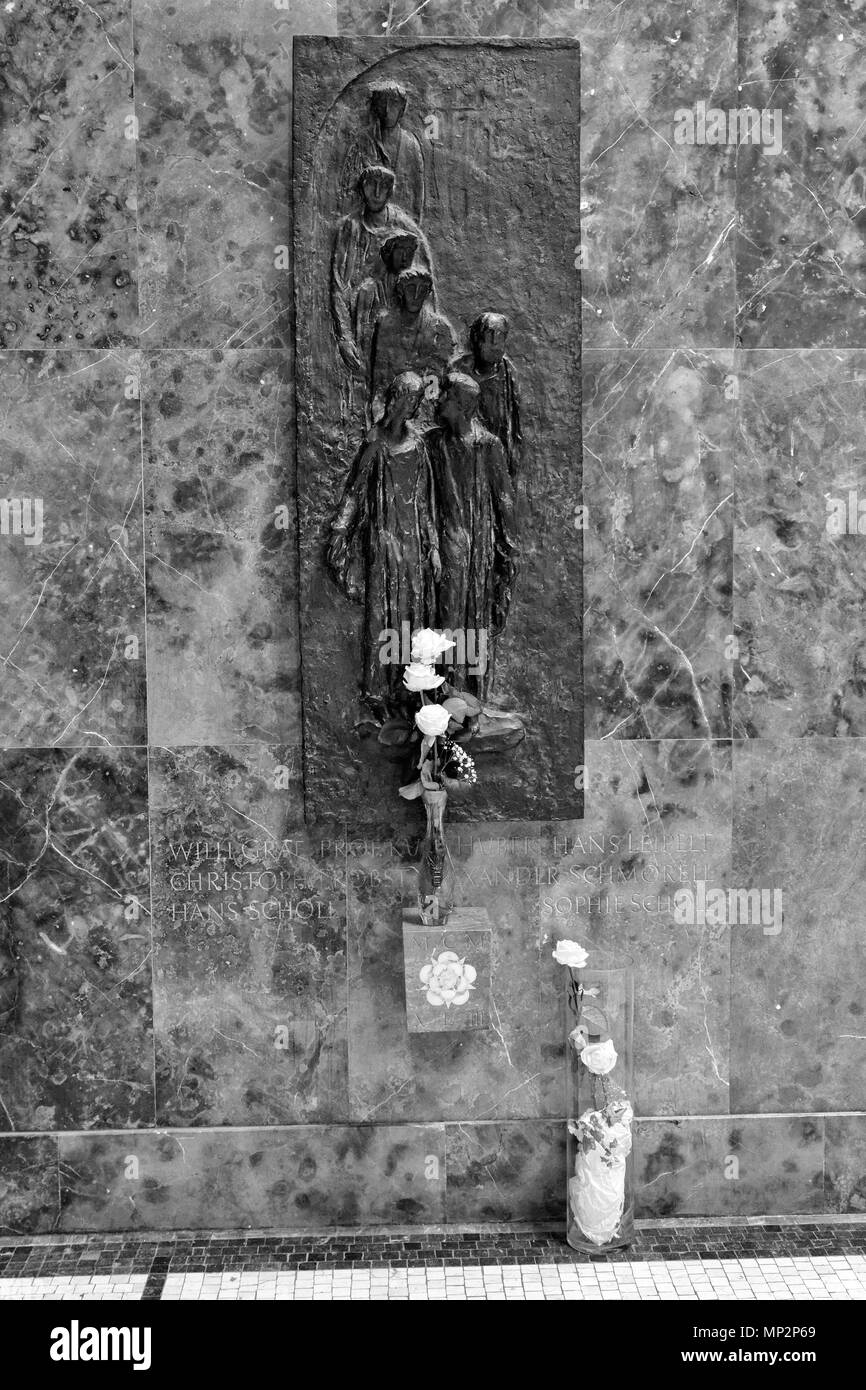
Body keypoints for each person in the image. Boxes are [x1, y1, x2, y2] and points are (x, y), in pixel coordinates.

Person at [326, 371, 440, 715]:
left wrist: (432, 545)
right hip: (384, 538)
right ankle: (378, 692)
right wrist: (339, 529)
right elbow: (355, 491)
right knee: (384, 612)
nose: (411, 406)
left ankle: (410, 687)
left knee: (412, 613)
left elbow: (426, 498)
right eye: (407, 399)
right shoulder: (375, 442)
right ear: (395, 400)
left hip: (414, 543)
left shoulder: (418, 444)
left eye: (416, 401)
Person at [425, 372, 519, 697]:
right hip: (446, 548)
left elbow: (504, 502)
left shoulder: (488, 446)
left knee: (475, 624)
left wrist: (508, 556)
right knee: (447, 620)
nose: (438, 400)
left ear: (463, 406)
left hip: (479, 550)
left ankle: (472, 701)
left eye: (446, 396)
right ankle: (445, 698)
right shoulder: (433, 444)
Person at [330, 165, 433, 381]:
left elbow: (426, 287)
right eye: (371, 186)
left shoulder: (407, 228)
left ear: (391, 190)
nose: (377, 193)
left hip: (404, 334)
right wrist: (345, 336)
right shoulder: (351, 228)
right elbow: (340, 286)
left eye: (384, 186)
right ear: (362, 188)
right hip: (364, 322)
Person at [370, 268, 456, 417]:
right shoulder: (386, 324)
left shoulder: (440, 328)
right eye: (411, 288)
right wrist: (379, 410)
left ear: (428, 294)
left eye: (422, 290)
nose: (416, 295)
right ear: (401, 291)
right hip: (393, 402)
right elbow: (380, 376)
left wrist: (426, 408)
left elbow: (438, 378)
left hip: (426, 403)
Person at [340, 80, 426, 223]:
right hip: (366, 224)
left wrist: (413, 228)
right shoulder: (362, 141)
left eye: (393, 104)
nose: (387, 110)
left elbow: (417, 195)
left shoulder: (411, 145)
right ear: (375, 107)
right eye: (382, 103)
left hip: (401, 227)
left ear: (402, 108)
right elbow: (348, 189)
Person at [452, 312, 522, 478]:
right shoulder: (459, 368)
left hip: (498, 449)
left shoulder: (508, 371)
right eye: (489, 333)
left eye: (500, 335)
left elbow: (515, 421)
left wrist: (513, 455)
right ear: (477, 337)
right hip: (464, 449)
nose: (494, 342)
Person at [353, 232, 418, 387]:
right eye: (400, 251)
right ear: (389, 253)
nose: (405, 257)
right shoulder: (369, 291)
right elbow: (362, 337)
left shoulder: (415, 294)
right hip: (375, 368)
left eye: (409, 252)